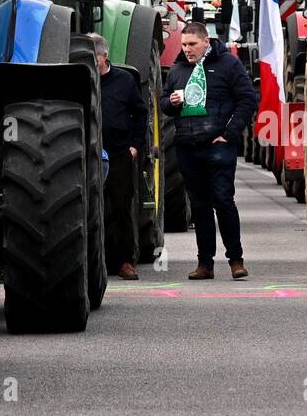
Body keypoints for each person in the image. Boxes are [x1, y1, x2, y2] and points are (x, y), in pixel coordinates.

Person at [161, 21, 257, 280]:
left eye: (192, 44)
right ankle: (205, 264)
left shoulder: (228, 65)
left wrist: (229, 133)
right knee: (200, 206)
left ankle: (236, 260)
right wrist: (170, 102)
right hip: (187, 147)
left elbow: (248, 99)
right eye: (183, 45)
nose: (187, 49)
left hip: (218, 146)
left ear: (206, 42)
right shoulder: (178, 69)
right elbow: (164, 103)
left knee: (223, 200)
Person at [93, 34, 147, 280]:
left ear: (104, 56)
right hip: (88, 153)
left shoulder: (124, 81)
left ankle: (125, 260)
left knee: (121, 206)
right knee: (94, 207)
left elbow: (140, 113)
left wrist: (135, 145)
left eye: (92, 56)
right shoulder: (81, 81)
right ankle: (96, 259)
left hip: (117, 154)